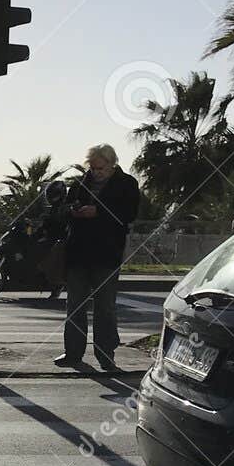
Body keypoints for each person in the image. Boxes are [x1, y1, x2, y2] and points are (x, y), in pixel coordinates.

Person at [56, 145, 141, 374]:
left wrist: (98, 212)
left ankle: (106, 356)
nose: (96, 172)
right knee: (74, 305)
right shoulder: (80, 184)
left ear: (112, 164)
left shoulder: (127, 184)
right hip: (78, 253)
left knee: (105, 308)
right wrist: (73, 211)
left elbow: (129, 213)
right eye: (92, 168)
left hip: (107, 254)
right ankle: (73, 353)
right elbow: (63, 209)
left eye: (101, 168)